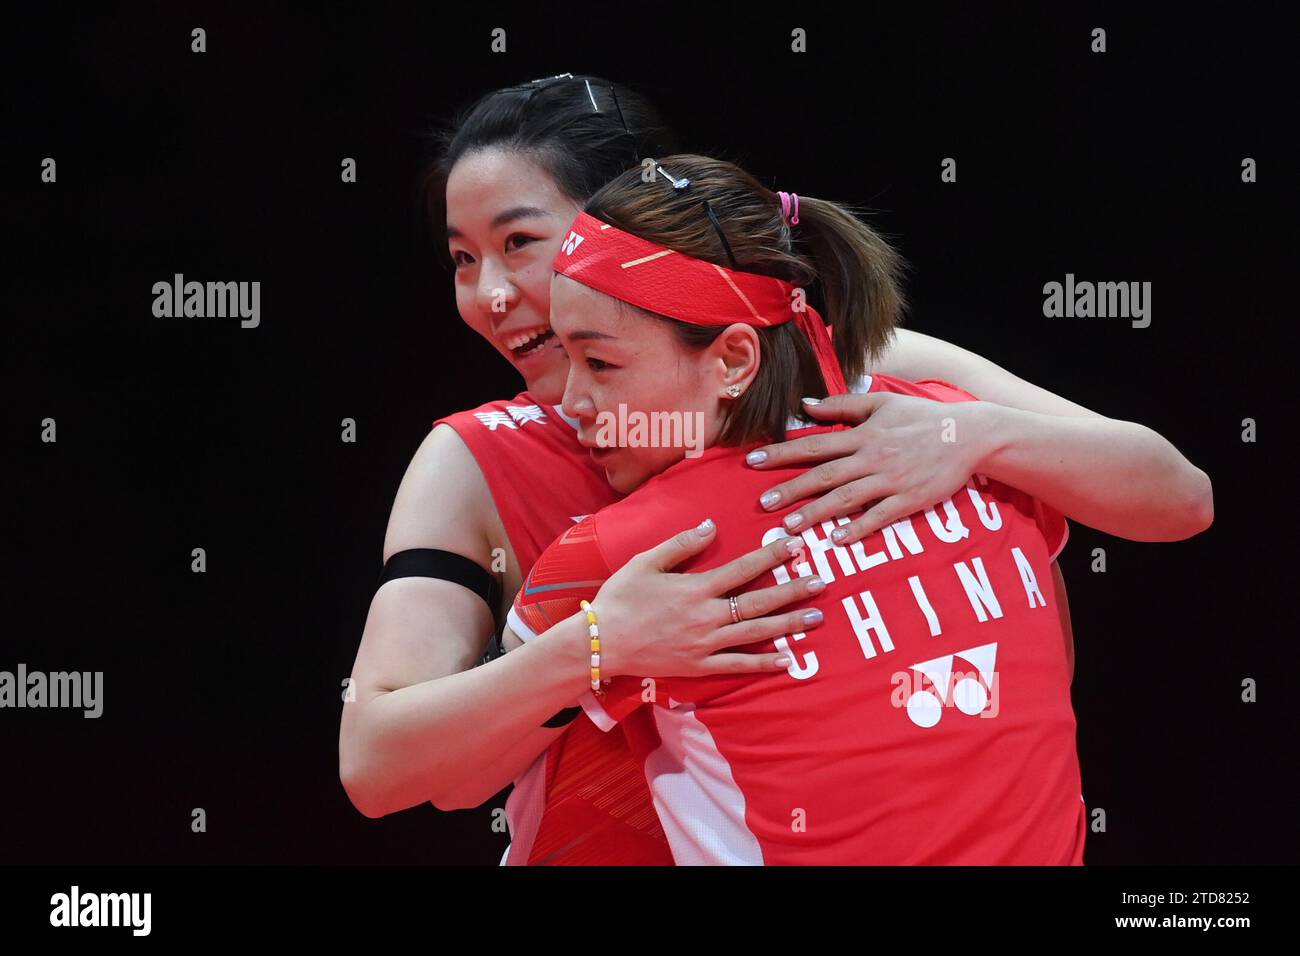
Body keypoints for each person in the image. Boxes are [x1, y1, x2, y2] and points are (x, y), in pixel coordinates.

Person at [339, 75, 1212, 865]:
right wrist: (598, 647)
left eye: (521, 242)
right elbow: (385, 768)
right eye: (461, 259)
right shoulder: (473, 458)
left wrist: (967, 436)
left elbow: (1179, 498)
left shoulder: (872, 376)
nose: (489, 293)